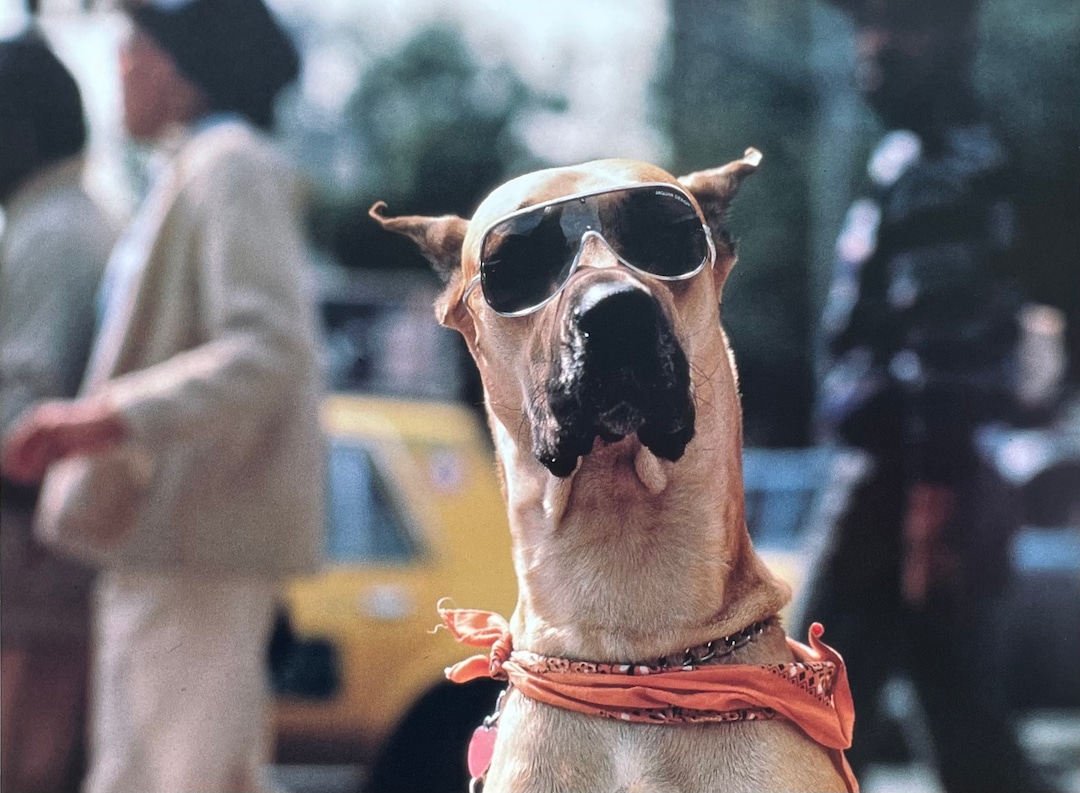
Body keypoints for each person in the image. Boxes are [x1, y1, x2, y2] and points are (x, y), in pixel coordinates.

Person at [0, 1, 325, 791]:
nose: (118, 66)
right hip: (168, 540)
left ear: (180, 71)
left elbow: (268, 348)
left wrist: (105, 418)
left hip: (195, 545)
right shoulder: (193, 168)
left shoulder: (230, 166)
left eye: (133, 48)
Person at [803, 1, 1059, 791]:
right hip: (921, 488)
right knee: (961, 717)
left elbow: (942, 362)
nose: (873, 46)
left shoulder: (936, 171)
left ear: (955, 35)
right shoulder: (928, 156)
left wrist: (932, 519)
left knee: (802, 718)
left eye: (899, 23)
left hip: (897, 492)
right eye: (864, 25)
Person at [0, 31, 118, 793]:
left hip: (30, 549)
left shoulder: (53, 233)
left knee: (22, 761)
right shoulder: (70, 220)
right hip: (48, 547)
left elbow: (22, 409)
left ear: (19, 128)